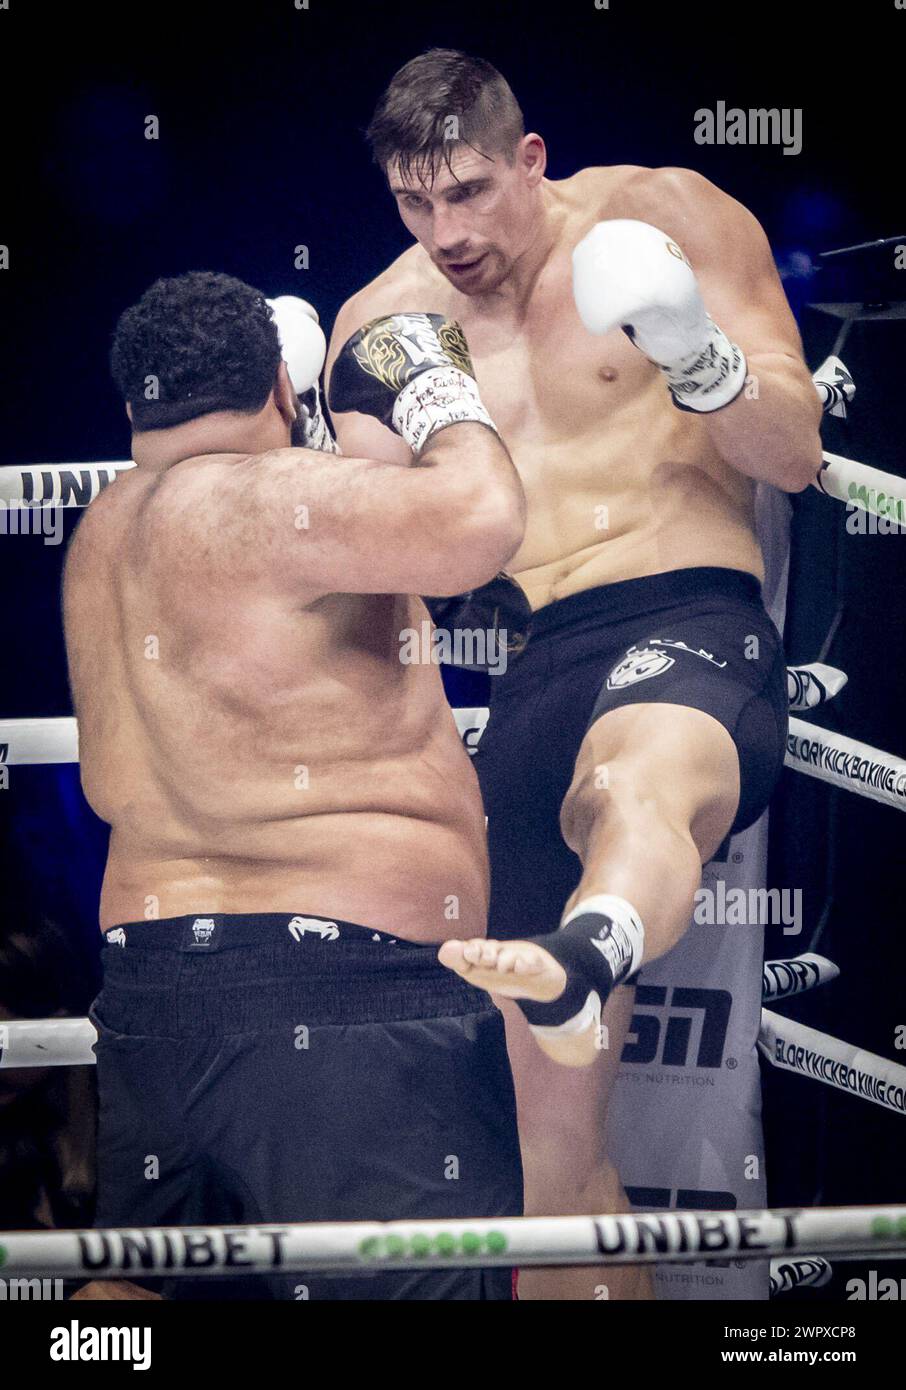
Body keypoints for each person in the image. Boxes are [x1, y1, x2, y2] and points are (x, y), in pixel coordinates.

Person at [325, 49, 823, 1301]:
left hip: (692, 613)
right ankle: (571, 969)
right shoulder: (384, 322)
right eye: (415, 203)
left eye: (472, 192)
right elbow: (405, 578)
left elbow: (798, 452)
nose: (447, 233)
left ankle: (592, 946)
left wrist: (690, 346)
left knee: (633, 792)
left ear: (530, 159)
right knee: (555, 1177)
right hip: (542, 665)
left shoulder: (669, 215)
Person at [63, 270, 526, 1299]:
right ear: (280, 384)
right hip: (341, 1006)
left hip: (153, 998)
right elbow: (480, 523)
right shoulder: (270, 497)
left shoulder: (99, 536)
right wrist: (440, 394)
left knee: (132, 1305)